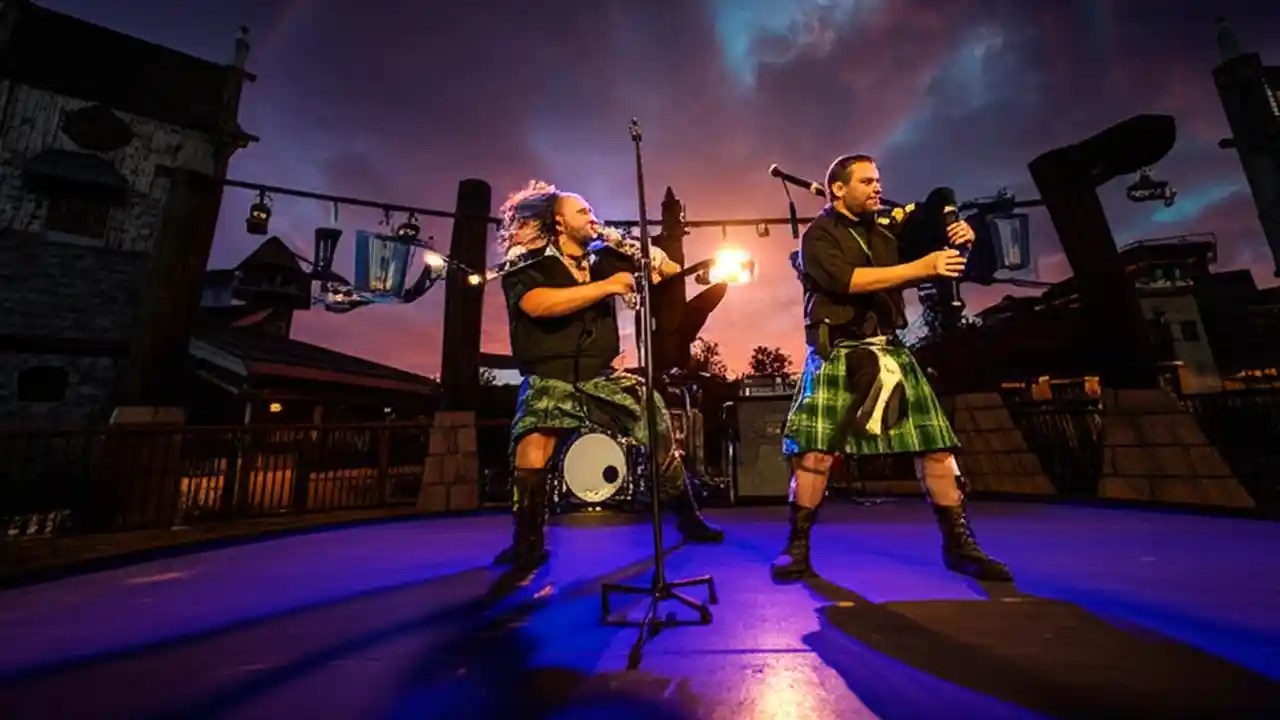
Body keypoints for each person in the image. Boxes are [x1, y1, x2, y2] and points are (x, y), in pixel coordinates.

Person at [771, 153, 1013, 584]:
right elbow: (848, 281)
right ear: (838, 189)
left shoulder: (886, 228)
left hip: (889, 350)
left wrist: (959, 231)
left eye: (878, 180)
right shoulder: (818, 236)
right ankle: (797, 546)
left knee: (936, 448)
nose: (877, 188)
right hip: (839, 352)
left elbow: (934, 225)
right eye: (866, 181)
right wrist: (922, 268)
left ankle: (959, 545)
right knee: (815, 454)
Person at [493, 180, 724, 573]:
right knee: (533, 442)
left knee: (653, 415)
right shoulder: (528, 262)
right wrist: (607, 287)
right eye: (582, 211)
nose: (593, 216)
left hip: (599, 374)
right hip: (550, 374)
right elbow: (537, 305)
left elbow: (669, 271)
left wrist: (647, 257)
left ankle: (687, 515)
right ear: (559, 222)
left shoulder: (604, 258)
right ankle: (527, 541)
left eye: (592, 210)